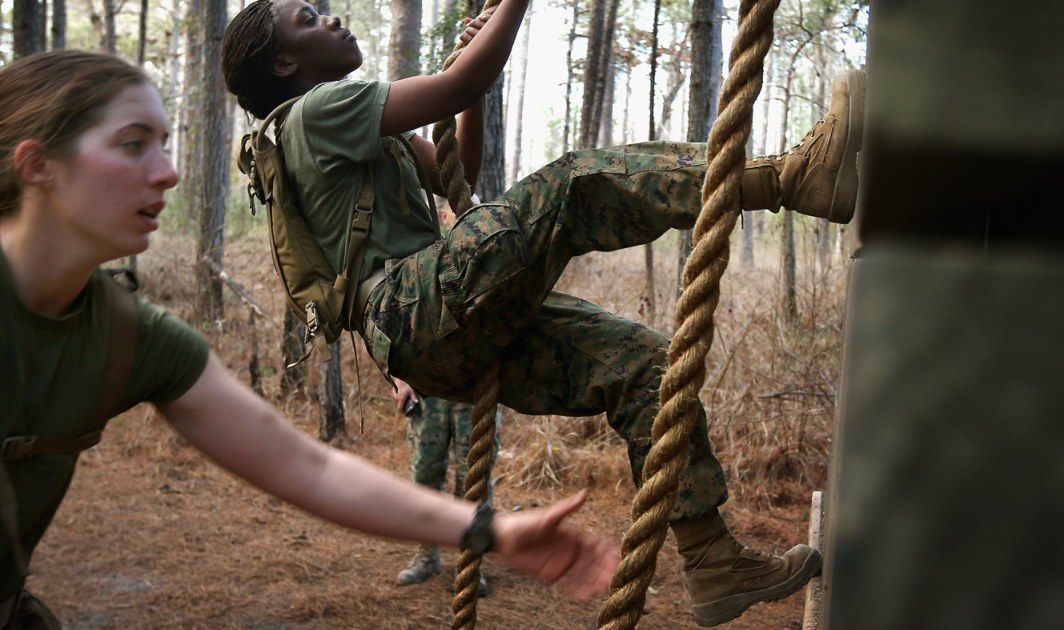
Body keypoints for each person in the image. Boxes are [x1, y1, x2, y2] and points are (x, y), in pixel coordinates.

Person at [221, 0, 865, 625]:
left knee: (642, 366)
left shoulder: (332, 132)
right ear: (283, 64)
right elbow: (461, 81)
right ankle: (789, 178)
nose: (331, 18)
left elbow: (457, 172)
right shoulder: (318, 111)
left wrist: (468, 83)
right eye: (308, 19)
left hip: (428, 335)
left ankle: (711, 559)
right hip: (418, 305)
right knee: (578, 182)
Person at [0, 49, 618, 629]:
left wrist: (491, 531)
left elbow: (309, 467)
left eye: (163, 144)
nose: (168, 173)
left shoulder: (134, 338)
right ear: (37, 166)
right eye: (133, 146)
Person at [390, 377, 500, 593]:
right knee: (424, 476)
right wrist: (400, 379)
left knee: (474, 480)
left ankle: (471, 563)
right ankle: (427, 556)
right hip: (427, 388)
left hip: (476, 387)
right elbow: (392, 342)